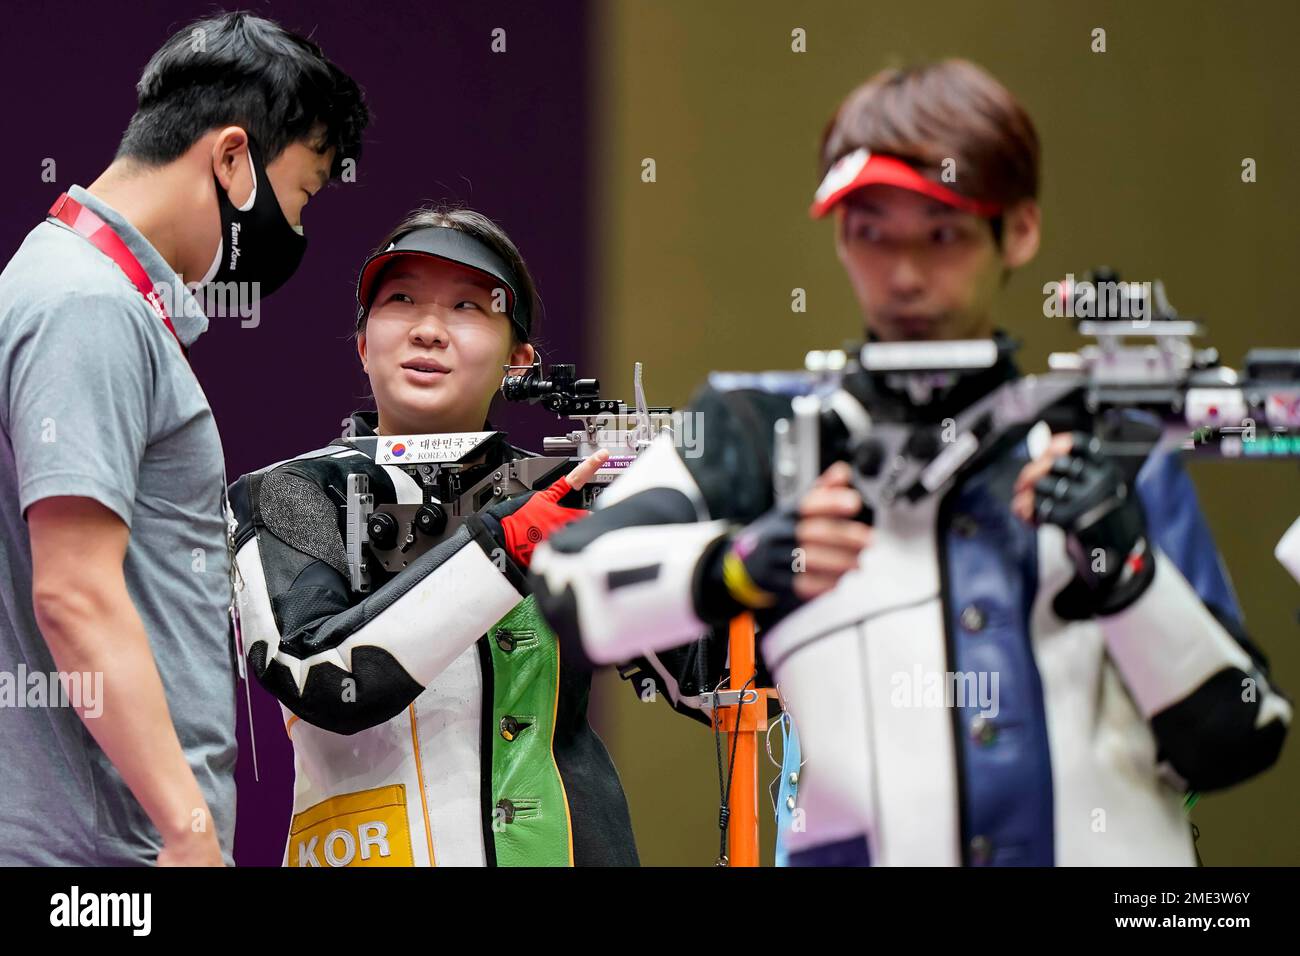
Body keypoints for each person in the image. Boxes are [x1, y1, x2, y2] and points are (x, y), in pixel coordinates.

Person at [529, 59, 1290, 866]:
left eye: (943, 233)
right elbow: (569, 584)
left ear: (1020, 230)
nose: (903, 273)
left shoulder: (1103, 444)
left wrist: (1129, 573)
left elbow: (1239, 739)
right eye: (870, 232)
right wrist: (741, 566)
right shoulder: (767, 428)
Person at [0, 10, 368, 866]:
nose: (299, 232)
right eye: (302, 194)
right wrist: (187, 829)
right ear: (233, 157)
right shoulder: (86, 306)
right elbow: (74, 594)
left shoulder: (72, 290)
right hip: (96, 863)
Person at [229, 206, 639, 867]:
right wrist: (506, 544)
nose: (427, 329)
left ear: (519, 360)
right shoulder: (284, 494)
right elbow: (325, 677)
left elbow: (715, 686)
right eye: (401, 300)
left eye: (469, 308)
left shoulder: (567, 496)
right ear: (363, 342)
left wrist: (733, 554)